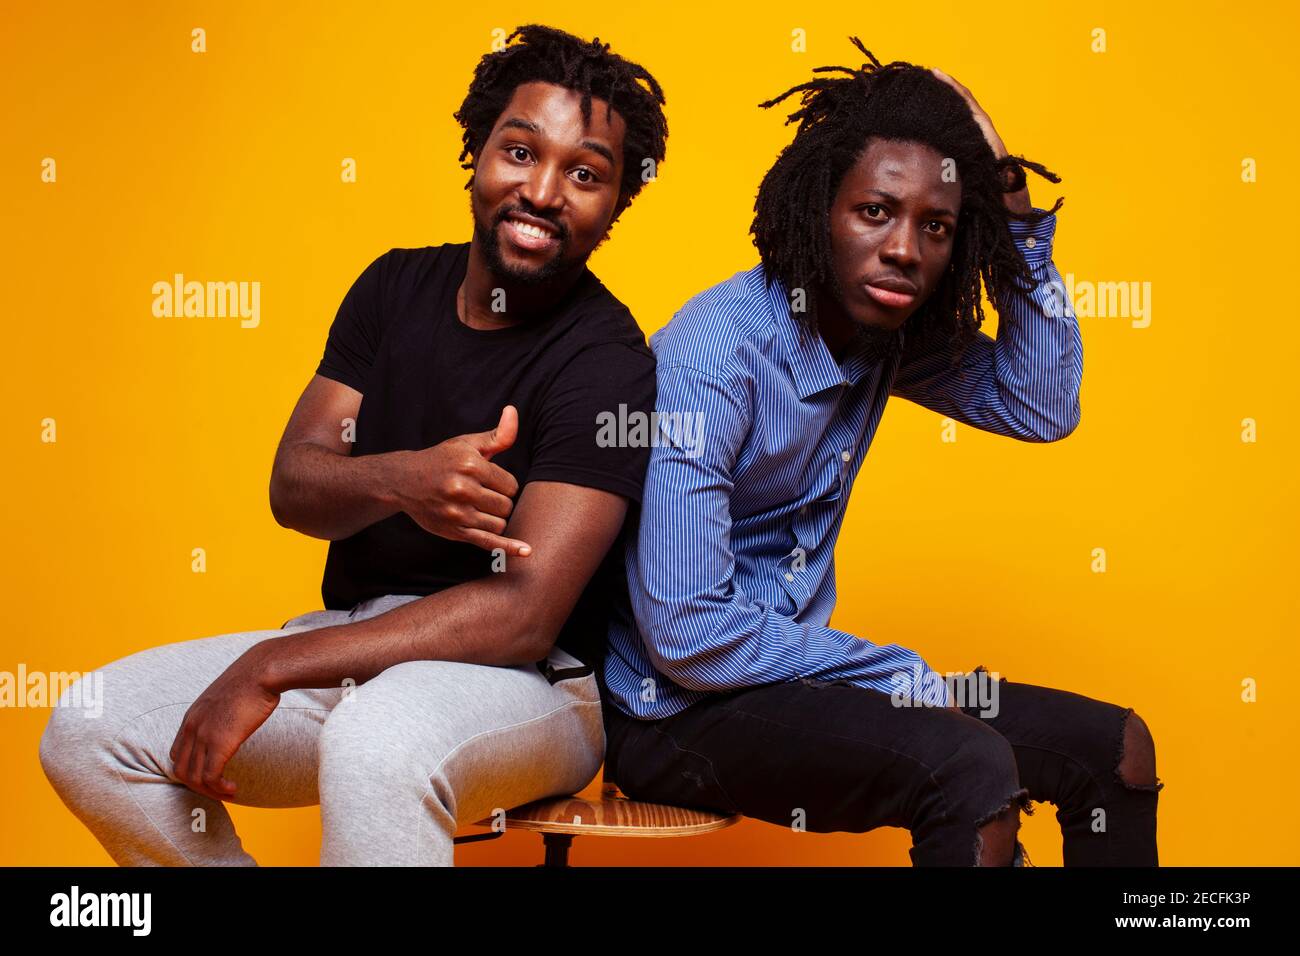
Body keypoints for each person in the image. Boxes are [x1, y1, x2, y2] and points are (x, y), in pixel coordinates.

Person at [38, 23, 666, 866]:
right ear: (477, 152)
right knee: (89, 728)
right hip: (348, 645)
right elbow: (295, 487)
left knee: (378, 742)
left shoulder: (606, 360)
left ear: (616, 205)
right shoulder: (393, 287)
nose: (544, 191)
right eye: (520, 152)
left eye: (585, 174)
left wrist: (271, 664)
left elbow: (523, 615)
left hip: (528, 687)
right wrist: (404, 480)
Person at [599, 39, 1163, 866]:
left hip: (804, 682)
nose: (905, 248)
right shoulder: (716, 356)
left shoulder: (884, 336)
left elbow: (1042, 405)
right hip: (675, 713)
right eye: (875, 212)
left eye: (935, 226)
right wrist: (898, 670)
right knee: (971, 769)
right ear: (819, 208)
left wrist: (1013, 222)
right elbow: (685, 631)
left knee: (1114, 749)